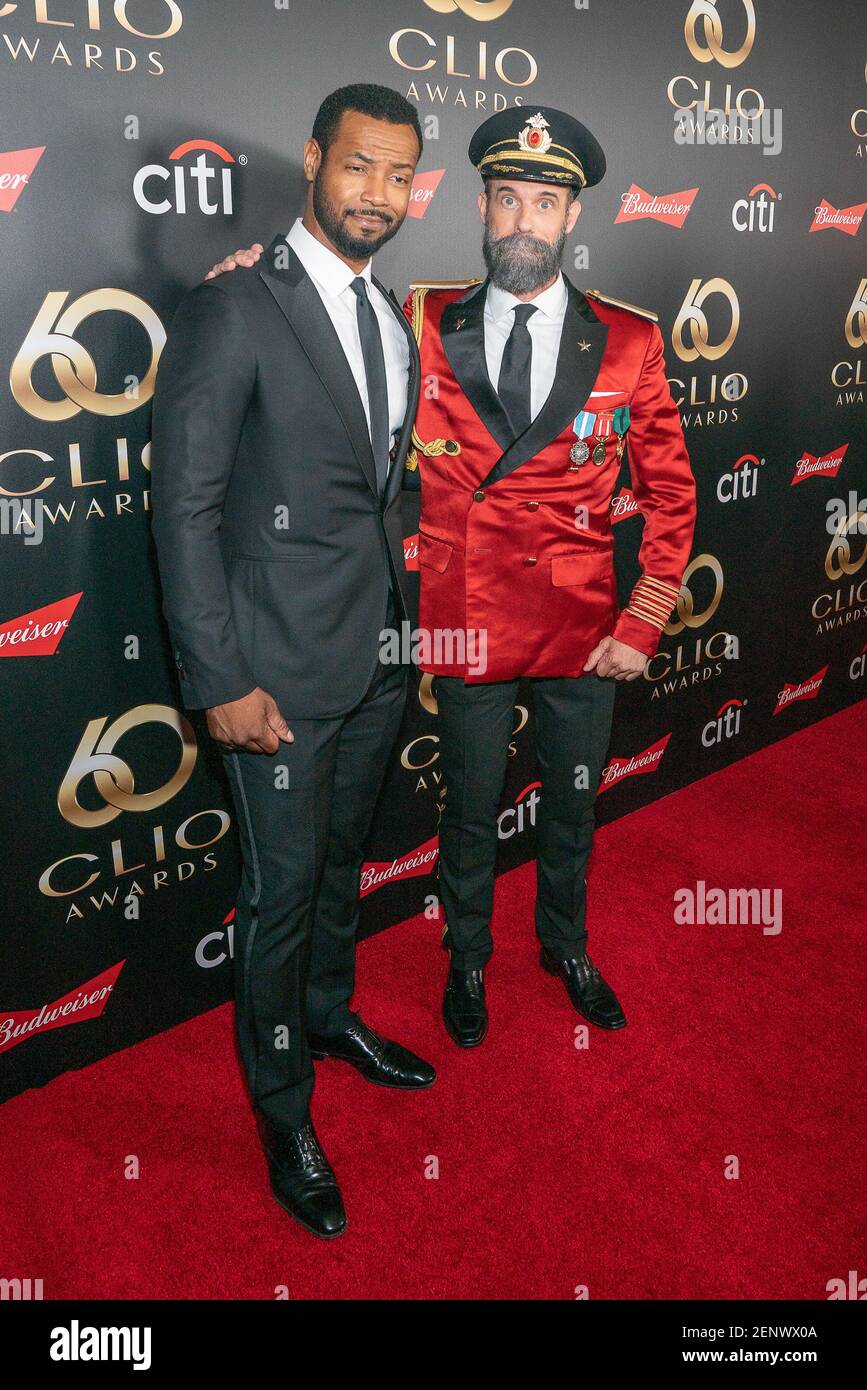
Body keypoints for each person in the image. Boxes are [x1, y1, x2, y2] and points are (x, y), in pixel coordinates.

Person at [207, 105, 697, 1053]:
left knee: (573, 804)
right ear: (479, 206)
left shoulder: (630, 339)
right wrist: (241, 278)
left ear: (573, 217)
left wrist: (641, 622)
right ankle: (467, 955)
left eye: (543, 202)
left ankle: (565, 944)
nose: (522, 220)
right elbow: (315, 319)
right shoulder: (420, 317)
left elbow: (671, 497)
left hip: (584, 627)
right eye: (506, 198)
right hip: (463, 621)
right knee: (468, 810)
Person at [150, 84, 436, 1242]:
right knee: (275, 902)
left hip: (371, 659)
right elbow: (184, 511)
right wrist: (218, 682)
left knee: (334, 873)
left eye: (399, 175)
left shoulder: (392, 314)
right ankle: (283, 1109)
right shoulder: (234, 310)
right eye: (359, 167)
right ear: (316, 160)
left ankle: (328, 1016)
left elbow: (384, 492)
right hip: (270, 677)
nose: (379, 194)